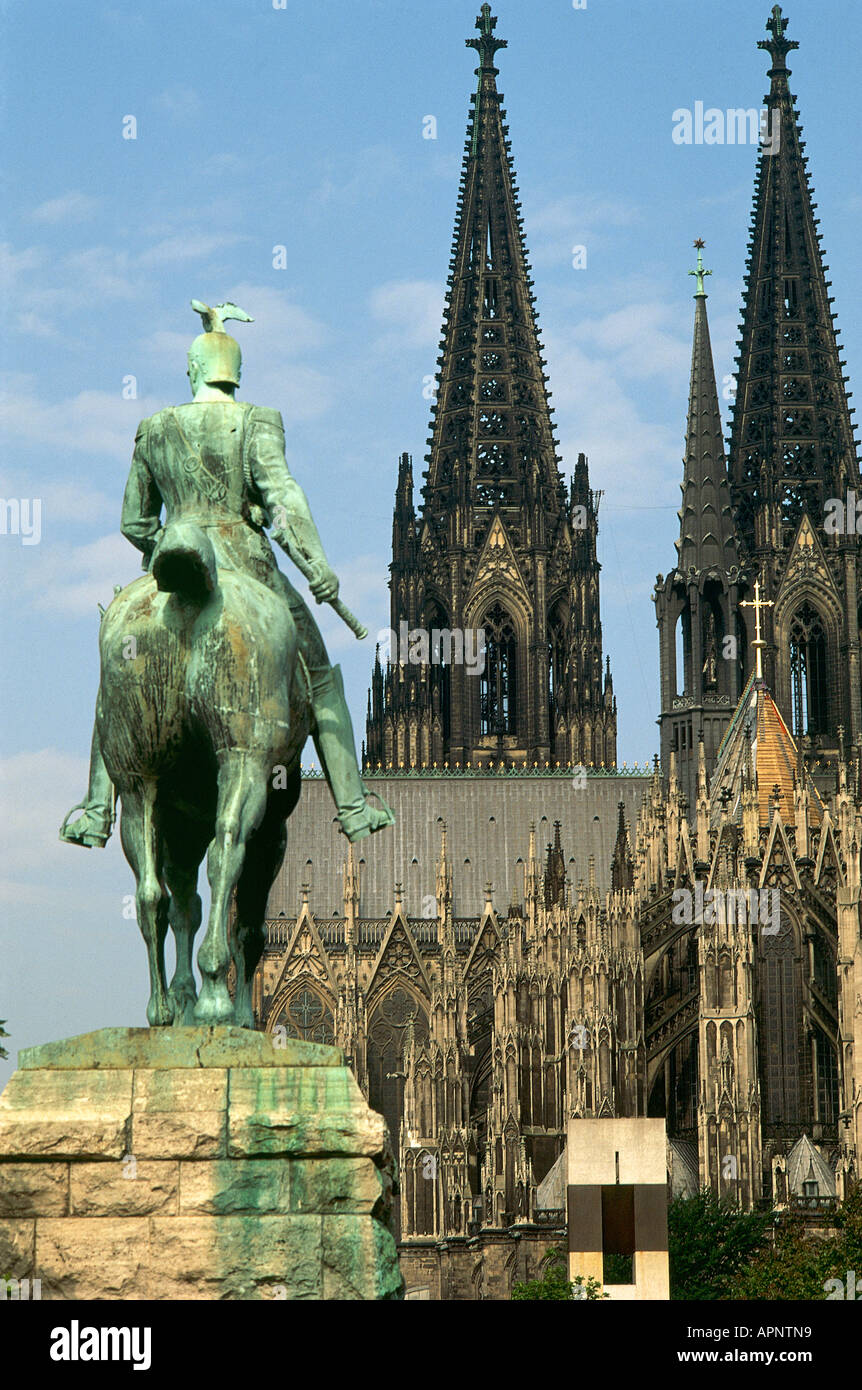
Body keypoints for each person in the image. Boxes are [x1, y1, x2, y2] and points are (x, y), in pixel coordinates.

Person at [60, 300, 393, 847]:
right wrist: (318, 565)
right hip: (249, 568)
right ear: (236, 374)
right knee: (320, 676)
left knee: (114, 676)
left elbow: (133, 522)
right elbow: (284, 500)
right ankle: (354, 807)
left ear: (192, 370)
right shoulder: (258, 420)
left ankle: (97, 809)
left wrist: (163, 548)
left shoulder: (154, 428)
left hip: (172, 564)